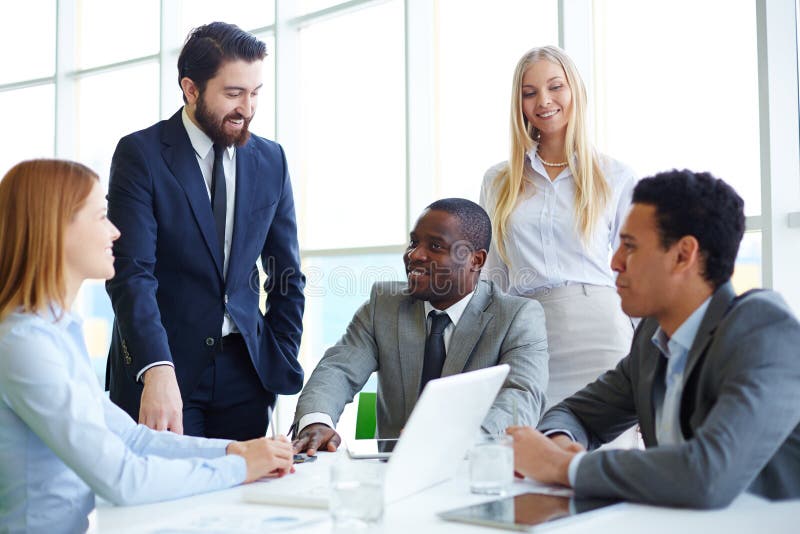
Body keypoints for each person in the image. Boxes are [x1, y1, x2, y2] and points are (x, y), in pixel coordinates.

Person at [0, 160, 295, 533]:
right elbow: (123, 478)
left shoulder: (57, 332)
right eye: (100, 217)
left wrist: (232, 450)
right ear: (56, 229)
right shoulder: (25, 346)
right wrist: (241, 467)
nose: (115, 232)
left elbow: (129, 438)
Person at [508, 170, 800, 508]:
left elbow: (707, 476)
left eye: (629, 247)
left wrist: (564, 466)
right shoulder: (653, 337)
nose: (615, 263)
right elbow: (578, 413)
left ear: (682, 255)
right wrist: (559, 442)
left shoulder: (765, 332)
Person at [106, 22, 305, 439]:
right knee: (169, 500)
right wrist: (156, 370)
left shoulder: (272, 160)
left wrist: (280, 352)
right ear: (191, 89)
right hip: (165, 372)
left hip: (246, 374)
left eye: (255, 93)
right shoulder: (141, 154)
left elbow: (286, 271)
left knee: (247, 498)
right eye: (233, 94)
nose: (247, 108)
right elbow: (132, 274)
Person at [292, 198, 549, 455]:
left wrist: (459, 439)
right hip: (389, 475)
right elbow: (338, 369)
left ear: (476, 260)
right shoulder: (384, 305)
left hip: (472, 472)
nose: (415, 255)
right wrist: (316, 421)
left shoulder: (516, 316)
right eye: (414, 243)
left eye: (435, 246)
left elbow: (521, 397)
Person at [480, 45, 636, 407]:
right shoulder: (498, 180)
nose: (544, 101)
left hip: (602, 332)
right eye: (529, 92)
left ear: (574, 91)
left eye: (555, 87)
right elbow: (494, 275)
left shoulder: (615, 176)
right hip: (528, 334)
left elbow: (635, 270)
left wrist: (652, 363)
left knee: (607, 454)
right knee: (533, 451)